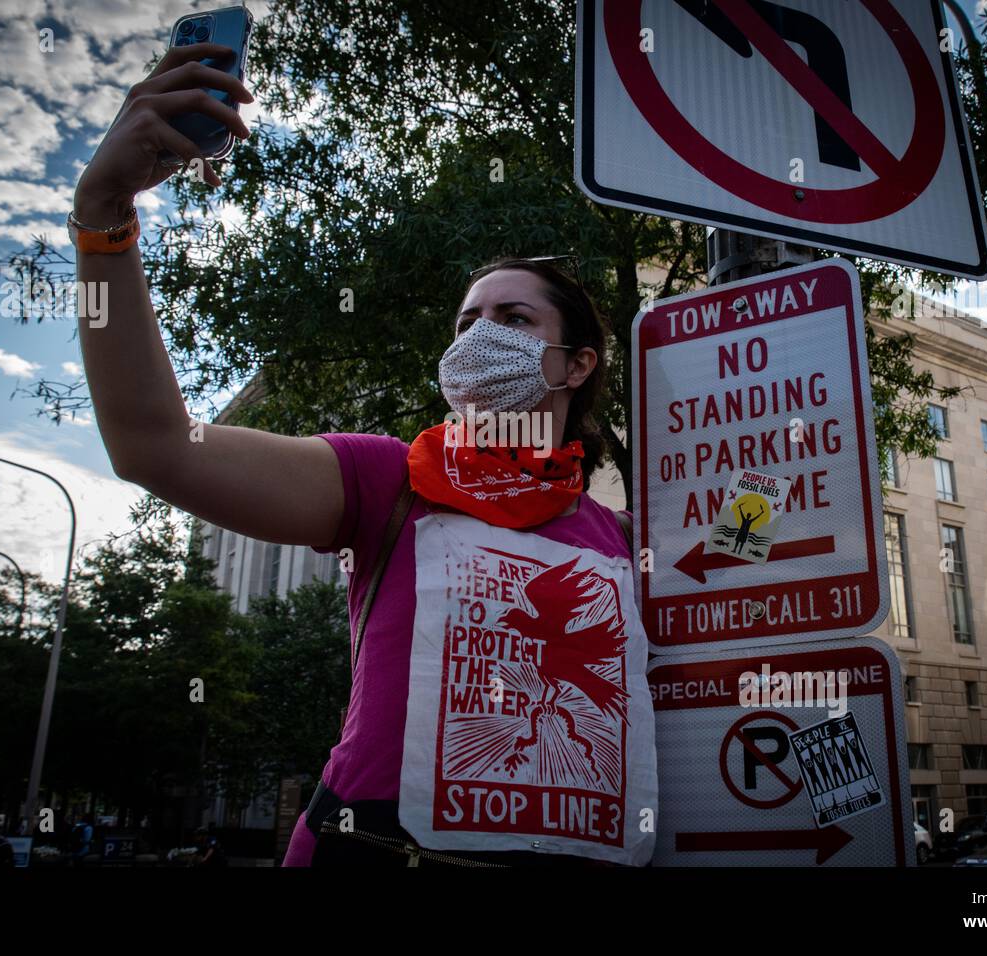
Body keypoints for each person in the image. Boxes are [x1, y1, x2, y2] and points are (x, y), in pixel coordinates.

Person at [72, 41, 656, 867]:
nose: (481, 338)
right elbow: (154, 445)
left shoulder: (622, 540)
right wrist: (103, 220)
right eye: (466, 323)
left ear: (579, 364)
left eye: (514, 320)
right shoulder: (388, 482)